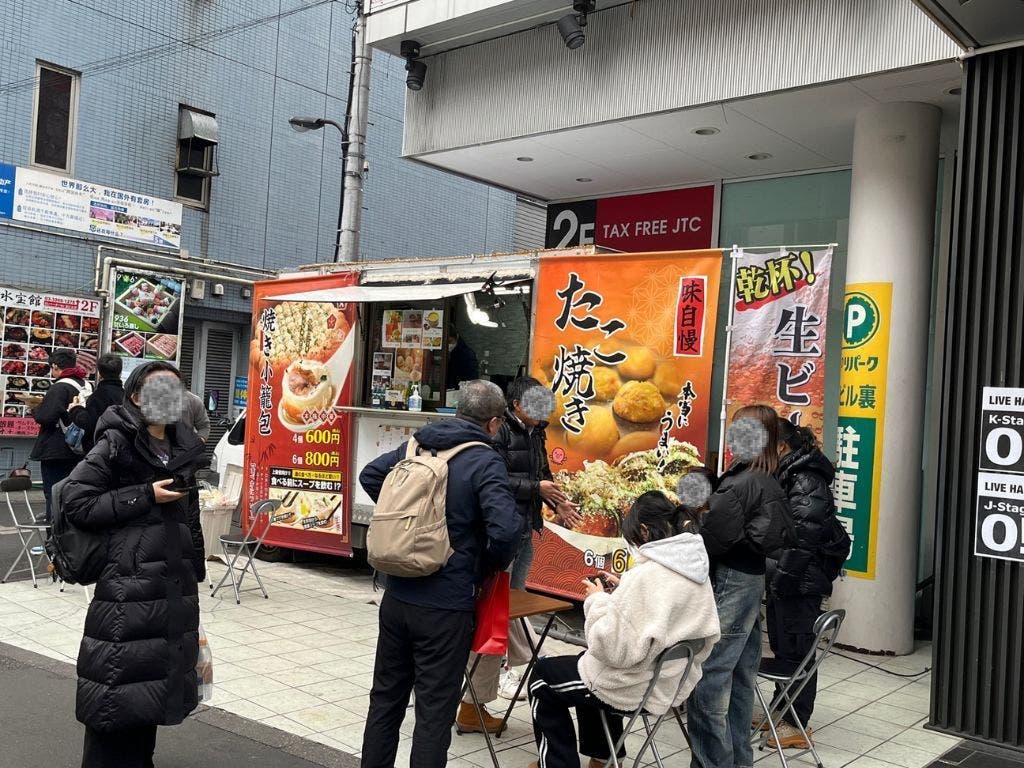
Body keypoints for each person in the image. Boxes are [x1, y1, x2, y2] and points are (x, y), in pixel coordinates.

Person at [358, 379, 521, 768]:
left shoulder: (415, 445)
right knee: (433, 712)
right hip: (446, 605)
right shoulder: (483, 460)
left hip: (397, 596)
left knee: (385, 700)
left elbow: (369, 475)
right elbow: (506, 531)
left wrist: (406, 522)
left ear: (458, 409)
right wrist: (480, 566)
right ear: (494, 423)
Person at [61, 361, 206, 768]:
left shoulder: (182, 445)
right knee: (115, 691)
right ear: (138, 396)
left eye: (175, 389)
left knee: (150, 693)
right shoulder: (117, 441)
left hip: (171, 585)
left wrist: (195, 566)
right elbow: (76, 500)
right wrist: (144, 495)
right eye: (159, 389)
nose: (168, 398)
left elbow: (189, 515)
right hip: (127, 585)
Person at [527, 491, 721, 768]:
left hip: (632, 685)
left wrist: (597, 600)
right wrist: (621, 591)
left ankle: (557, 763)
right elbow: (662, 614)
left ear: (643, 530)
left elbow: (612, 650)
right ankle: (603, 757)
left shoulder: (646, 575)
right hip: (670, 682)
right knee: (581, 668)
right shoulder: (695, 572)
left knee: (542, 677)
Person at [456, 376, 582, 733]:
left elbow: (542, 474)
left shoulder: (535, 431)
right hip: (499, 535)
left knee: (511, 608)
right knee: (497, 613)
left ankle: (497, 683)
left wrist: (555, 500)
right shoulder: (496, 431)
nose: (543, 413)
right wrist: (535, 487)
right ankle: (520, 671)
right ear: (513, 406)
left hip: (524, 531)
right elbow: (491, 479)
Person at [687, 404, 795, 768]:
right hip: (751, 581)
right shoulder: (764, 476)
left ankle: (713, 763)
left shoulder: (744, 481)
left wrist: (695, 517)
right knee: (739, 678)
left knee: (708, 678)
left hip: (732, 580)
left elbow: (712, 537)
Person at [762, 419, 850, 749]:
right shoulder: (791, 474)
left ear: (781, 447)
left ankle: (795, 724)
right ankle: (781, 711)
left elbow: (801, 542)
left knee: (798, 653)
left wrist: (780, 583)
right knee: (786, 650)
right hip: (790, 579)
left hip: (800, 583)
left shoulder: (806, 480)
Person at [27, 348, 91, 522]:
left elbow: (46, 416)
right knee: (73, 495)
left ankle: (54, 542)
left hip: (56, 449)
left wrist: (34, 410)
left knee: (54, 495)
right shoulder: (85, 385)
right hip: (79, 448)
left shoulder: (60, 387)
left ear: (55, 366)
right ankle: (71, 540)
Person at [71, 354, 125, 453]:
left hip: (100, 449)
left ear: (99, 373)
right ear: (120, 372)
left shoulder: (99, 395)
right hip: (121, 447)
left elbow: (88, 422)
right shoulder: (126, 395)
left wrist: (75, 409)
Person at [445, 325, 479, 390]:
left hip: (460, 390)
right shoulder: (451, 353)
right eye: (446, 342)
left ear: (457, 337)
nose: (448, 345)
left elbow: (472, 378)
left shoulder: (467, 354)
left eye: (450, 341)